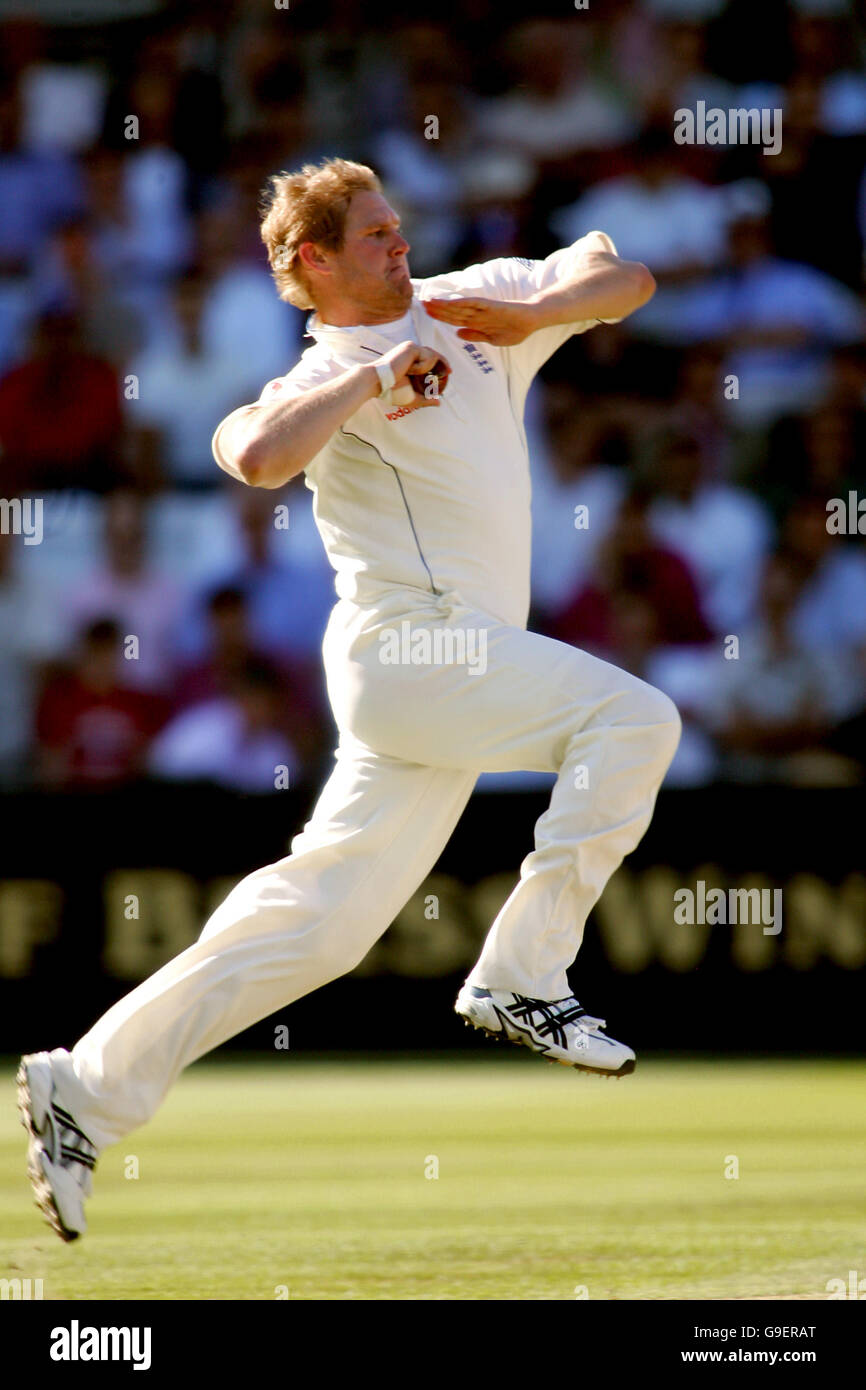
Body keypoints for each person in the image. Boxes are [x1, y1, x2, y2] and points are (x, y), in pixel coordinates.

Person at [18, 157, 680, 1242]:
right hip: (409, 655)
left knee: (316, 927)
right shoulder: (326, 365)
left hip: (455, 672)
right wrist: (372, 382)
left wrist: (542, 312)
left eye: (395, 223)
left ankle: (83, 1088)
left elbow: (621, 272)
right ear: (309, 261)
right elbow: (253, 453)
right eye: (372, 234)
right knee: (636, 717)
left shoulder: (474, 303)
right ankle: (523, 971)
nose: (399, 242)